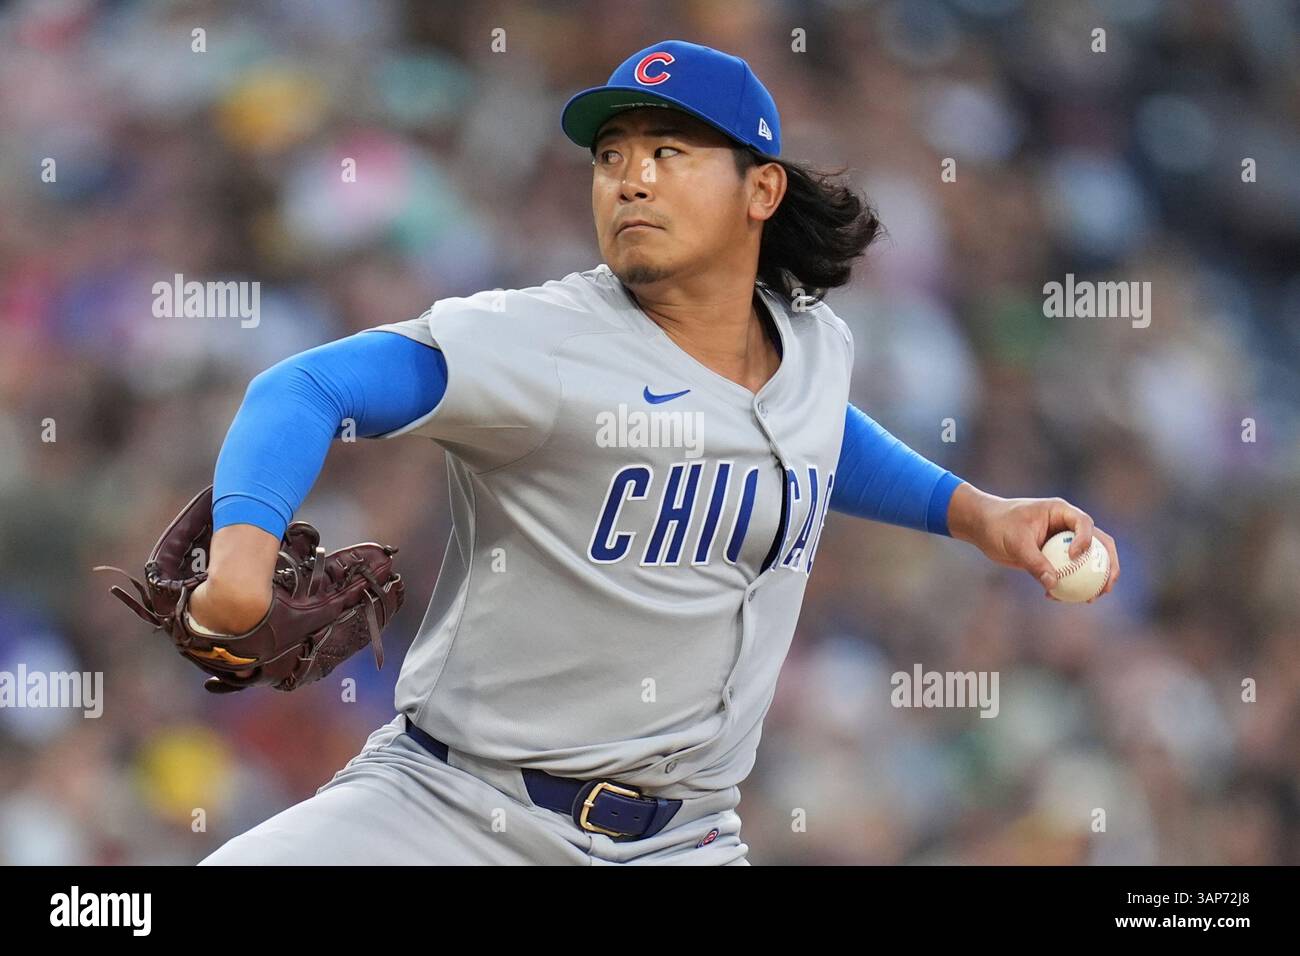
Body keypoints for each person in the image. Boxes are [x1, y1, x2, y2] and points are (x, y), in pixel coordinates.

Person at [196, 40, 1119, 865]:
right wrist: (242, 555)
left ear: (762, 190)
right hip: (452, 813)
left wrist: (976, 515)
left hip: (687, 840)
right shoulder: (543, 342)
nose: (630, 179)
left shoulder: (813, 346)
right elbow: (306, 390)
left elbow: (812, 431)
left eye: (668, 153)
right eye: (611, 157)